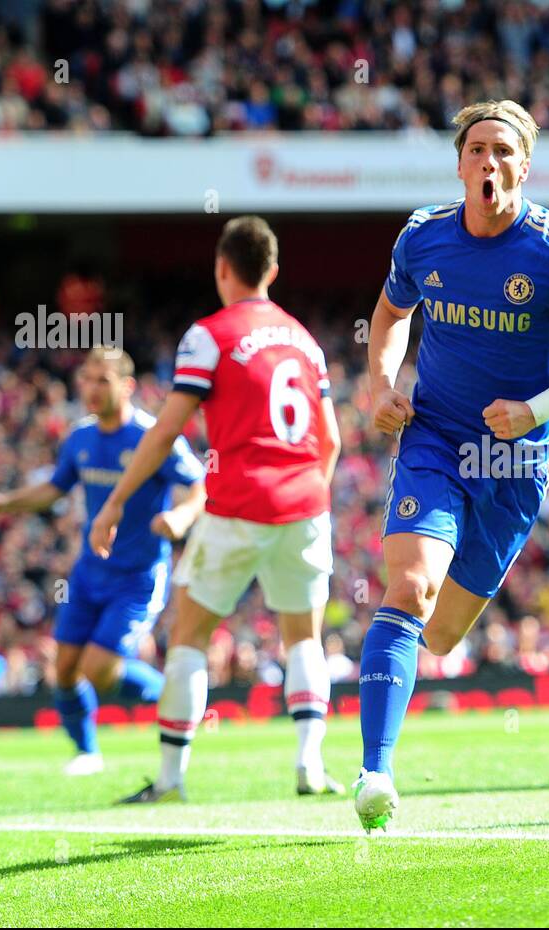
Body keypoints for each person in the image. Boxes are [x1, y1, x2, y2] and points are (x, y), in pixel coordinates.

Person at [355, 99, 549, 831]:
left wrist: (540, 406)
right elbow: (389, 316)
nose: (489, 162)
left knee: (441, 635)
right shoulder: (423, 238)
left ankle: (391, 725)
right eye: (477, 149)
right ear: (459, 163)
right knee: (408, 588)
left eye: (504, 151)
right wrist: (382, 383)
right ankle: (374, 772)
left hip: (517, 458)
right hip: (437, 435)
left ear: (525, 166)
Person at [89, 216, 343, 801]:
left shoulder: (209, 335)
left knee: (190, 634)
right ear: (273, 272)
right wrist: (307, 495)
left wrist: (117, 501)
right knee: (303, 638)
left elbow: (163, 433)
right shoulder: (306, 340)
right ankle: (309, 764)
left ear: (222, 268)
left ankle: (172, 779)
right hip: (306, 502)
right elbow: (330, 439)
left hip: (237, 502)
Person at [0, 347, 206, 774]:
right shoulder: (80, 437)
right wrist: (5, 503)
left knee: (98, 669)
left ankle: (175, 696)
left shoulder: (154, 436)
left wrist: (180, 515)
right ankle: (87, 752)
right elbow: (55, 487)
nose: (91, 389)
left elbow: (199, 485)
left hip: (138, 576)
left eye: (103, 380)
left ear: (128, 386)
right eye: (86, 379)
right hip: (88, 572)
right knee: (64, 669)